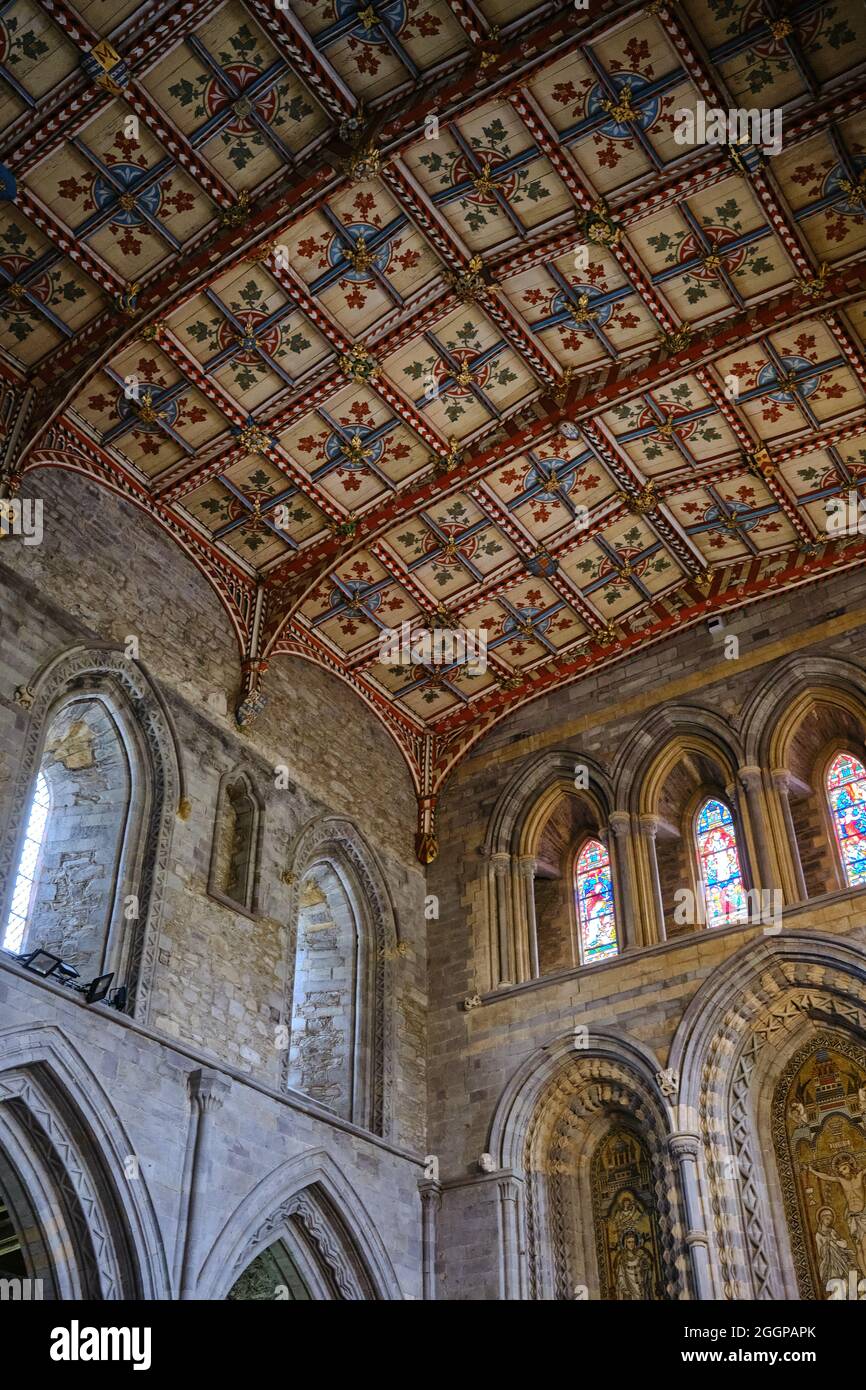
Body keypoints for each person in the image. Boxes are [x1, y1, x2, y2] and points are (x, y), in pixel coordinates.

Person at [807, 1154, 866, 1275]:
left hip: (863, 1215)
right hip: (852, 1217)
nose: (841, 1171)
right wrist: (813, 1171)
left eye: (843, 1168)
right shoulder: (841, 1180)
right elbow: (826, 1177)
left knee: (865, 1246)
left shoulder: (860, 1176)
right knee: (858, 1247)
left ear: (849, 1166)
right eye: (839, 1170)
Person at [814, 1206, 856, 1287]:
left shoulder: (832, 1231)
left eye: (830, 1219)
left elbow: (841, 1242)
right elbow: (821, 1253)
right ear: (821, 1219)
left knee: (848, 1277)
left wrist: (835, 1241)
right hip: (830, 1261)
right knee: (836, 1281)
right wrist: (827, 1244)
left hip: (840, 1257)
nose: (828, 1221)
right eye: (827, 1218)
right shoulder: (818, 1235)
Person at [613, 1230, 655, 1299]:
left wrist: (645, 1268)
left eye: (633, 1242)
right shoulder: (623, 1260)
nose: (631, 1244)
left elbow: (648, 1271)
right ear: (625, 1243)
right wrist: (624, 1288)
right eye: (629, 1242)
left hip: (641, 1288)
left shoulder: (640, 1256)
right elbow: (620, 1275)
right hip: (629, 1289)